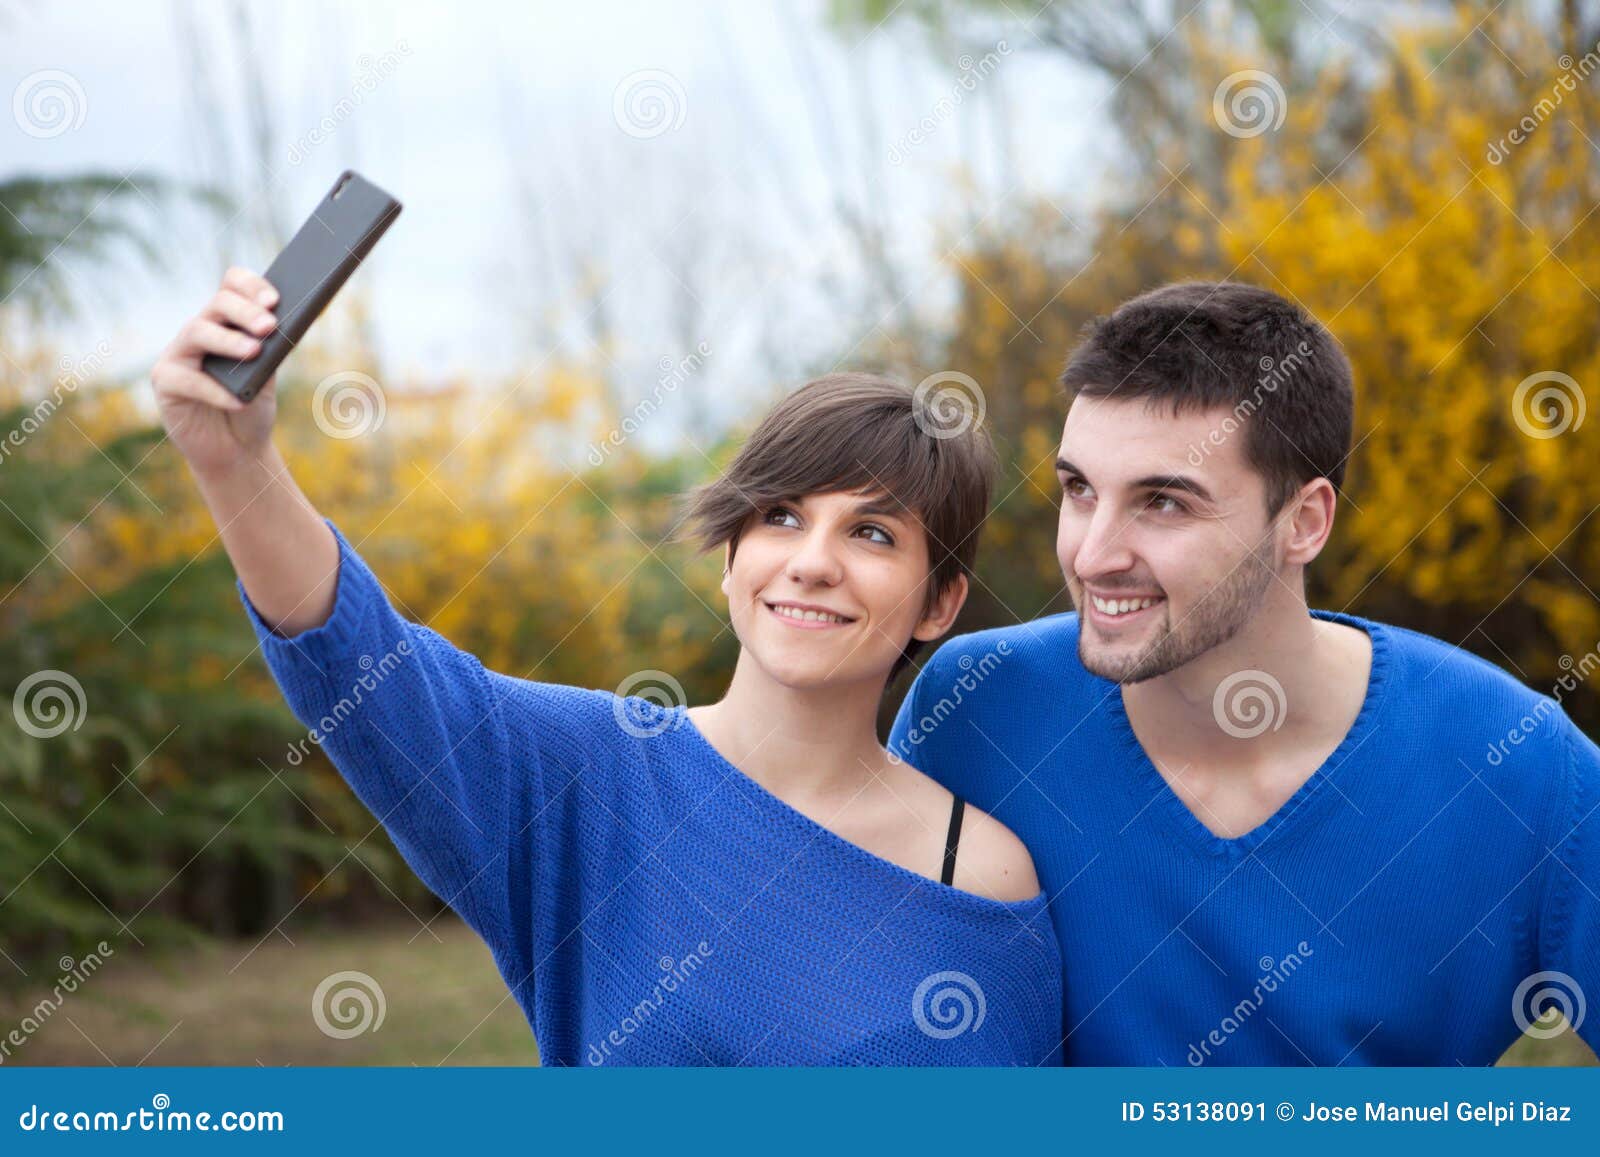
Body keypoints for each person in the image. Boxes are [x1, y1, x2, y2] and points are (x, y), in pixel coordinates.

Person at [150, 266, 1061, 1066]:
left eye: (871, 532)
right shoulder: (588, 777)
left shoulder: (980, 876)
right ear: (730, 558)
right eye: (781, 515)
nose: (812, 560)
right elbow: (363, 665)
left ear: (938, 601)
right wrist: (237, 464)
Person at [891, 280, 1600, 1066]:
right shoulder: (976, 710)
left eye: (1163, 502)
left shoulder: (1520, 766)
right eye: (1080, 490)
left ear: (1304, 521)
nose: (1092, 556)